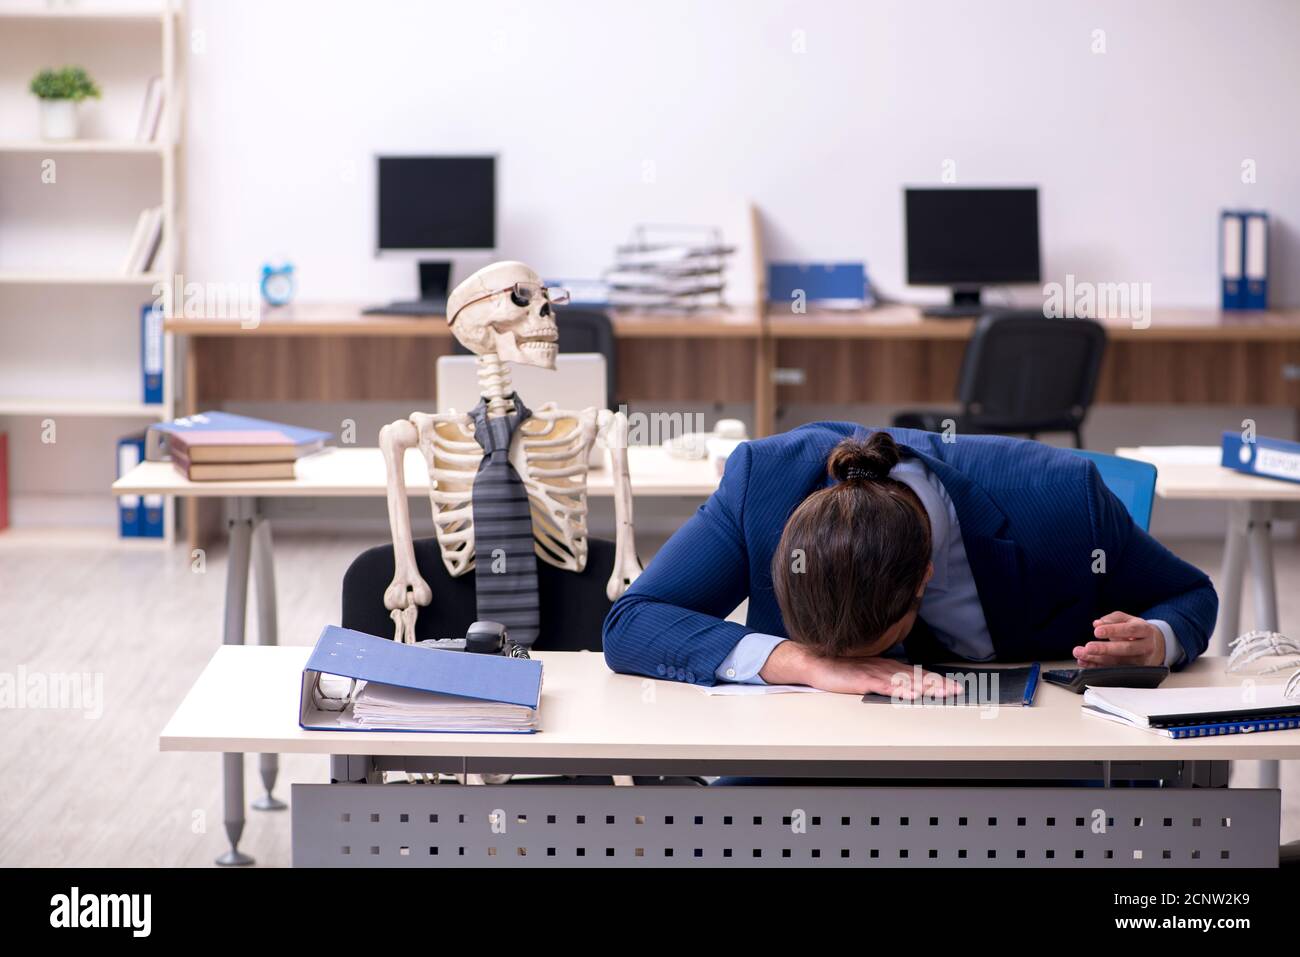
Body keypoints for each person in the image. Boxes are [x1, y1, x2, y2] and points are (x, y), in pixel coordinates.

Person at [602, 423, 1217, 697]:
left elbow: (1191, 597)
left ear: (925, 576)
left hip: (1013, 771)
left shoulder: (1062, 502)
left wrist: (1158, 640)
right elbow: (632, 622)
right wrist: (799, 662)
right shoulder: (762, 484)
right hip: (815, 763)